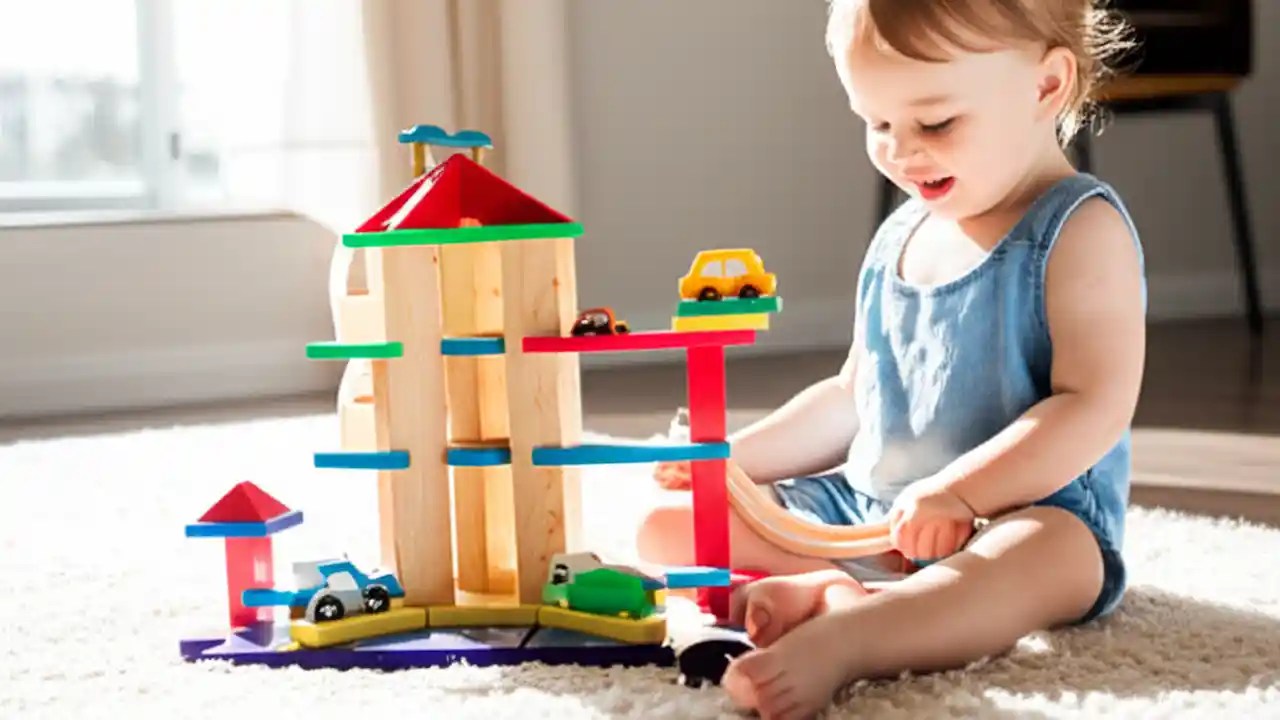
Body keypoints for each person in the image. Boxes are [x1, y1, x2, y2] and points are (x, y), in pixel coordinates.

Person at [637, 1, 1147, 717]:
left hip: (1021, 514)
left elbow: (1093, 405)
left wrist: (963, 495)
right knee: (669, 520)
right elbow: (854, 395)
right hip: (871, 509)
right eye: (878, 124)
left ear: (1045, 87)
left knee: (1038, 558)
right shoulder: (903, 233)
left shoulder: (1078, 229)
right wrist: (732, 458)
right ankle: (842, 589)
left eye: (935, 123)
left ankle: (850, 636)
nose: (902, 152)